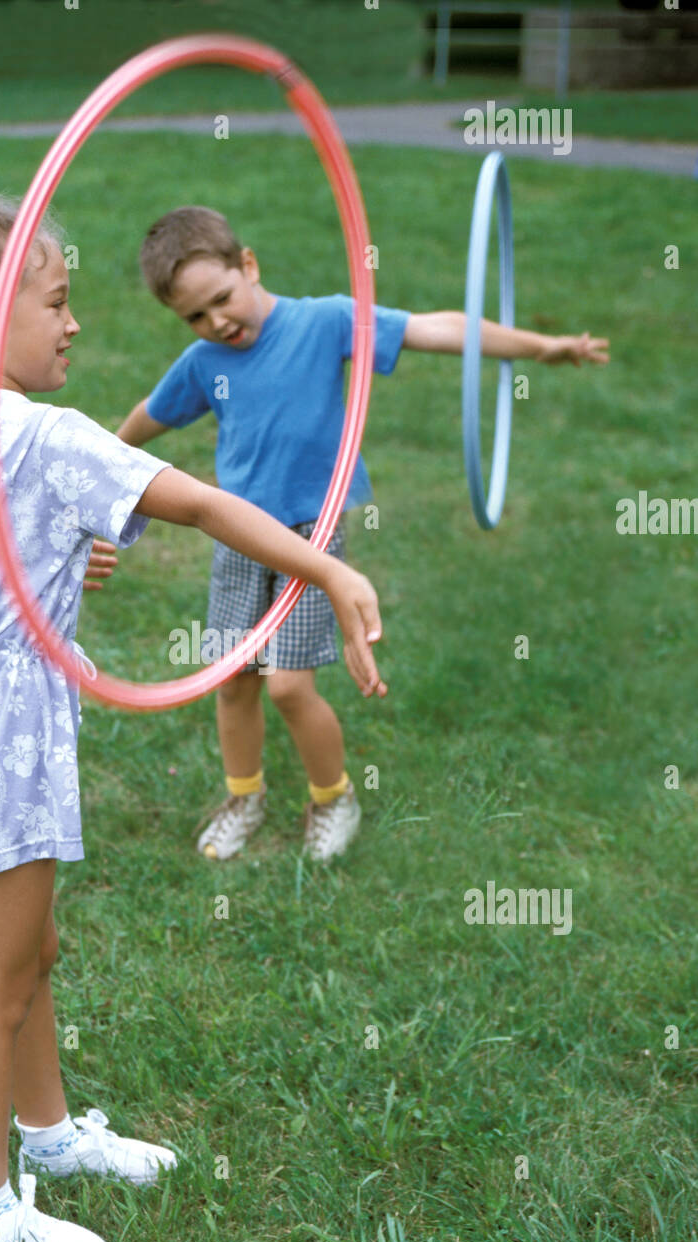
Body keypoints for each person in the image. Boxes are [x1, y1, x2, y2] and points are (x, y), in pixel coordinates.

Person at [0, 193, 387, 1242]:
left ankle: (48, 1134)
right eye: (58, 302)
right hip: (4, 742)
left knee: (31, 955)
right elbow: (194, 502)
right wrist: (325, 564)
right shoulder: (46, 436)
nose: (75, 323)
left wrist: (59, 567)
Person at [116, 206, 610, 863]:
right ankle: (244, 796)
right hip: (236, 532)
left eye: (221, 300)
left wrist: (543, 346)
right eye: (195, 317)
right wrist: (106, 472)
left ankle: (333, 796)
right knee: (233, 679)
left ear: (249, 265)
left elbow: (440, 328)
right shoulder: (204, 361)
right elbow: (148, 418)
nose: (216, 324)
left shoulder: (323, 321)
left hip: (311, 533)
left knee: (289, 685)